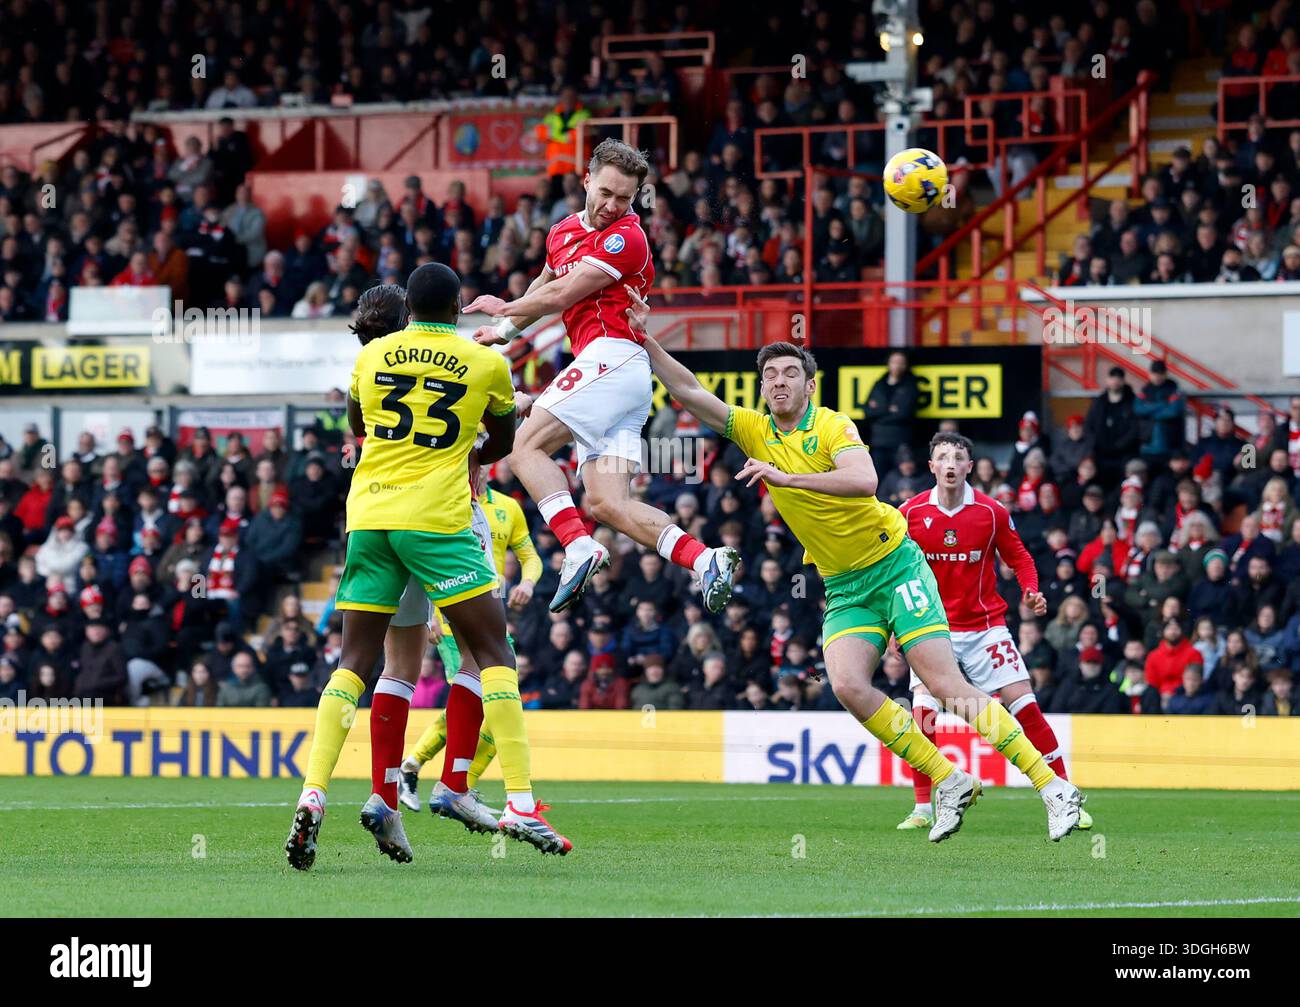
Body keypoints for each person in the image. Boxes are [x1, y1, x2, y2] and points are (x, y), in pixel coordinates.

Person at [629, 295, 1083, 842]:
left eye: (791, 373)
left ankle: (1053, 788)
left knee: (945, 684)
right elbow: (688, 389)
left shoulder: (831, 425)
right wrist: (643, 338)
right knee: (846, 684)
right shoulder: (754, 429)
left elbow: (865, 481)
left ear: (809, 385)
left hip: (895, 564)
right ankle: (950, 778)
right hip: (844, 584)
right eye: (770, 374)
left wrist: (787, 478)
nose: (779, 381)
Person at [285, 263, 569, 871]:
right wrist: (464, 439)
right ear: (459, 305)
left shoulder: (372, 359)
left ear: (410, 308)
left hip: (369, 518)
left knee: (365, 666)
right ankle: (509, 796)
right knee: (494, 654)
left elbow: (363, 430)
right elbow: (499, 443)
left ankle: (320, 792)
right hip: (441, 519)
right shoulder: (485, 362)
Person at [463, 139, 738, 617]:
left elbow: (564, 294)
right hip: (619, 376)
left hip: (611, 357)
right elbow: (545, 286)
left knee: (524, 447)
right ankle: (705, 559)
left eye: (625, 199)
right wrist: (504, 331)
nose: (614, 206)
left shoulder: (627, 237)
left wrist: (505, 307)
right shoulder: (561, 231)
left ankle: (578, 547)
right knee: (608, 505)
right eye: (607, 193)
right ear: (585, 180)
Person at [896, 433, 1092, 831]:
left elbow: (1019, 557)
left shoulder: (991, 512)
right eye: (942, 457)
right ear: (931, 467)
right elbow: (894, 573)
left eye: (958, 457)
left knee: (1025, 705)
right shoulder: (909, 513)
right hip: (933, 630)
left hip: (986, 628)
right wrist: (897, 626)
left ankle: (1066, 796)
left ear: (970, 467)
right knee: (923, 715)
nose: (950, 464)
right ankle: (922, 808)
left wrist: (1031, 590)